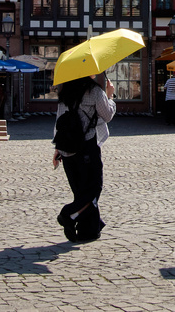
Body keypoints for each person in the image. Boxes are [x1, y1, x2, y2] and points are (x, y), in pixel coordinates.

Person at [52, 75, 116, 242]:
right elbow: (107, 115)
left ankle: (89, 230)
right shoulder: (95, 91)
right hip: (86, 146)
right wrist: (110, 95)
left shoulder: (65, 92)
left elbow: (59, 121)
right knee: (94, 188)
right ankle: (67, 214)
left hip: (67, 149)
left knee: (80, 191)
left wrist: (57, 149)